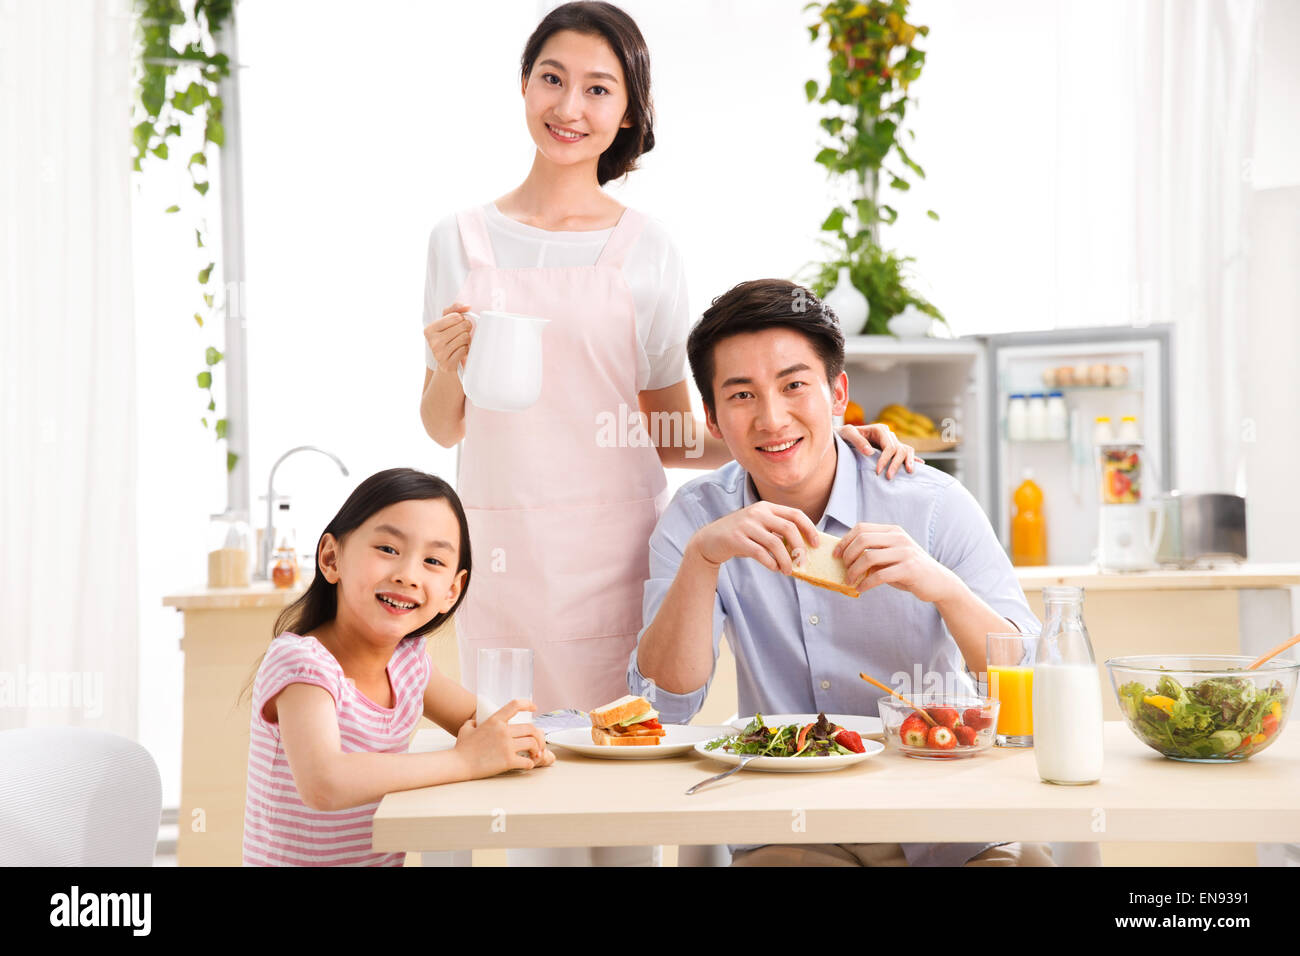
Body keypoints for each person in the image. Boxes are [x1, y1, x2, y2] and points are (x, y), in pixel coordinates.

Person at [418, 1, 915, 867]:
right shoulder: (458, 240)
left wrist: (820, 435)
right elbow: (440, 424)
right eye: (552, 78)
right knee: (512, 778)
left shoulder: (646, 249)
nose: (570, 106)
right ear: (524, 86)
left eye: (597, 88)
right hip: (500, 553)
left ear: (626, 111)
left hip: (614, 557)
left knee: (621, 786)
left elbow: (672, 432)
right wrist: (444, 364)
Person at [629, 279, 1055, 867]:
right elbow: (665, 708)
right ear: (712, 416)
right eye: (742, 395)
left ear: (837, 394)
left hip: (950, 819)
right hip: (793, 828)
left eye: (794, 385)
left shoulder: (930, 502)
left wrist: (943, 589)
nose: (772, 419)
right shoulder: (698, 521)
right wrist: (703, 563)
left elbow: (1035, 683)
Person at [240, 468, 553, 867]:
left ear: (451, 591)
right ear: (331, 558)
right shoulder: (303, 663)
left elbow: (483, 721)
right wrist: (464, 761)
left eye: (433, 560)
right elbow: (324, 783)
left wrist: (519, 742)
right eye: (388, 549)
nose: (407, 574)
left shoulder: (408, 663)